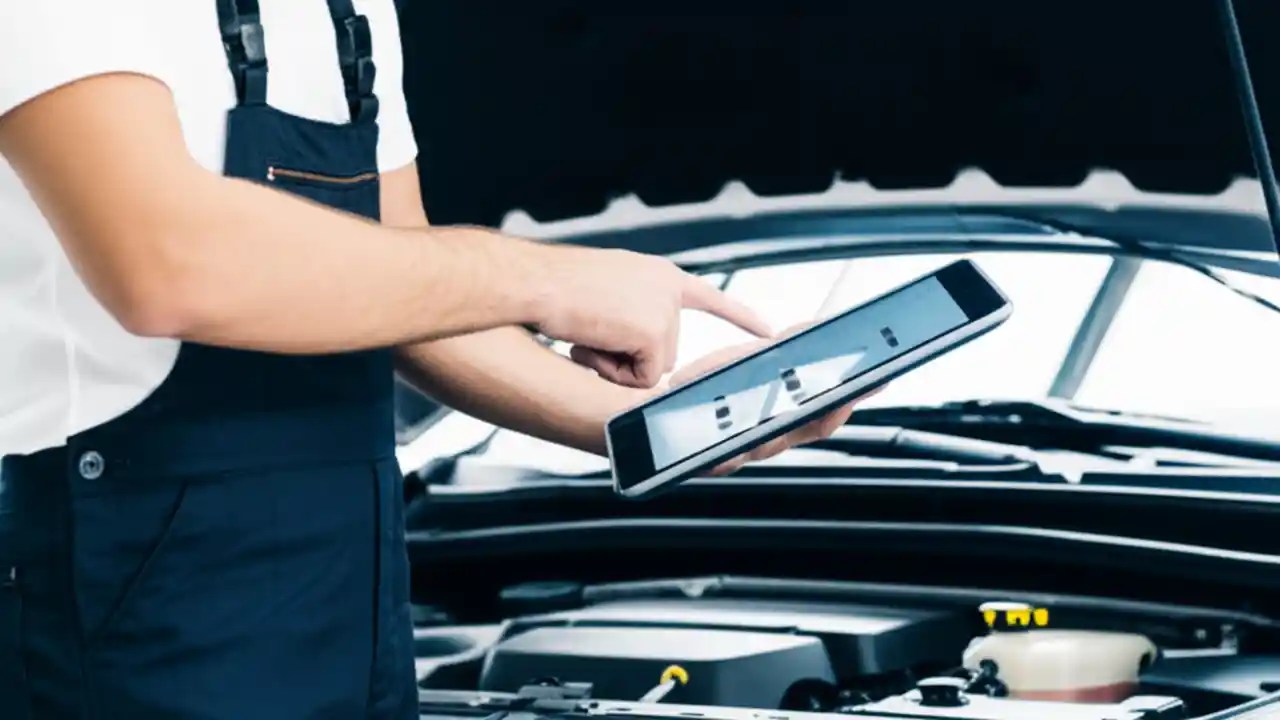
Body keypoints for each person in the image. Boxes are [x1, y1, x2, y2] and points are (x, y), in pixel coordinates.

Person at [0, 2, 863, 718]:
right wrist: (543, 278)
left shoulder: (351, 10)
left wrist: (656, 423)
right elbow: (166, 262)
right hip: (130, 601)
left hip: (347, 594)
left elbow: (408, 287)